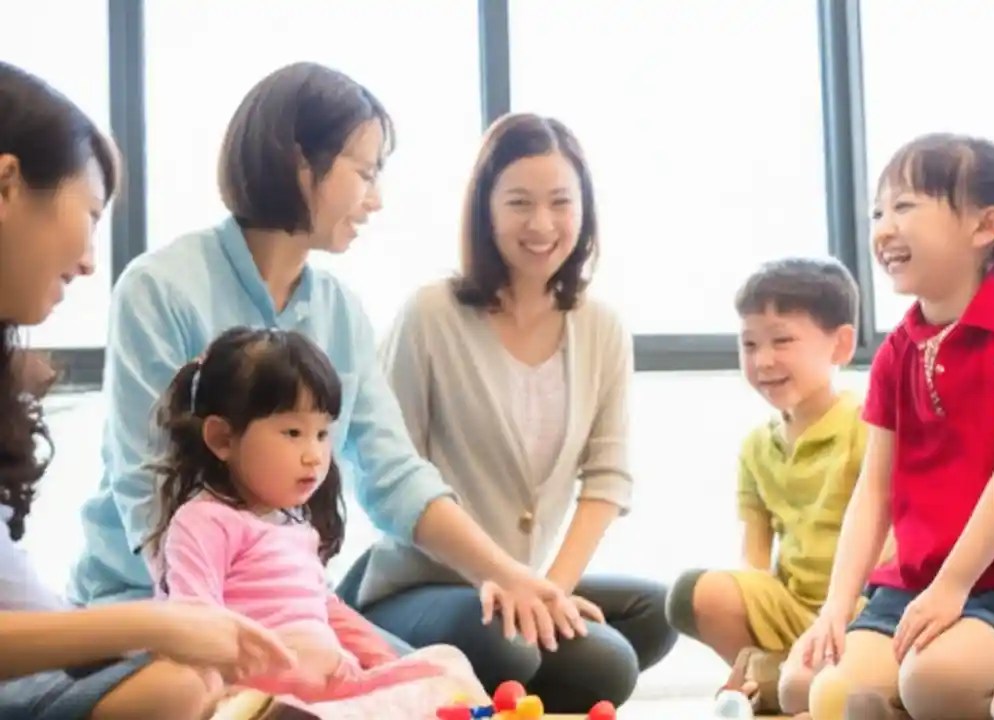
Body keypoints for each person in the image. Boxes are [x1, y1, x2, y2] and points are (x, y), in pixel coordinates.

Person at [69, 63, 583, 652]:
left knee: (430, 678)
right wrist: (216, 631)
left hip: (289, 608)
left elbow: (394, 475)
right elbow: (147, 481)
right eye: (364, 172)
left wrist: (505, 573)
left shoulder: (340, 311)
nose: (375, 200)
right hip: (151, 602)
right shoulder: (160, 287)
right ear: (299, 162)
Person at [337, 112, 676, 713]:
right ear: (486, 211)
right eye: (519, 202)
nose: (541, 224)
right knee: (568, 655)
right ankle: (495, 677)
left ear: (584, 210)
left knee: (656, 612)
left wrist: (552, 593)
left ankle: (500, 690)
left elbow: (608, 477)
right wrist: (504, 579)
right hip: (422, 583)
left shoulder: (601, 327)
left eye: (560, 202)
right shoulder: (430, 315)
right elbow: (383, 476)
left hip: (521, 584)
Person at [0, 60, 299, 719]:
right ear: (7, 185)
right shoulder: (162, 286)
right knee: (180, 686)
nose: (89, 261)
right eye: (90, 214)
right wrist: (152, 621)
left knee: (196, 678)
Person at [794, 133, 994, 720]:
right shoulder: (895, 352)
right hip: (912, 584)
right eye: (879, 212)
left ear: (985, 226)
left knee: (933, 682)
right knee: (819, 690)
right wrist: (836, 606)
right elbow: (873, 492)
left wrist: (953, 586)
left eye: (905, 206)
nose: (884, 228)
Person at [144, 327, 488, 715]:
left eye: (322, 434)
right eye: (293, 432)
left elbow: (326, 607)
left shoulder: (295, 527)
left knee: (446, 664)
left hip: (335, 688)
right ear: (223, 439)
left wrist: (386, 663)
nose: (314, 455)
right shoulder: (204, 521)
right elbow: (192, 622)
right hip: (266, 702)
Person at [663, 257, 896, 715]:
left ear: (840, 344)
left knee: (847, 673)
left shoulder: (867, 426)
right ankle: (776, 677)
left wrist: (845, 609)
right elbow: (754, 560)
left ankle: (777, 682)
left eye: (782, 341)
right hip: (792, 610)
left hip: (862, 608)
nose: (763, 360)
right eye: (749, 344)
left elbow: (892, 541)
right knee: (697, 593)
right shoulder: (756, 447)